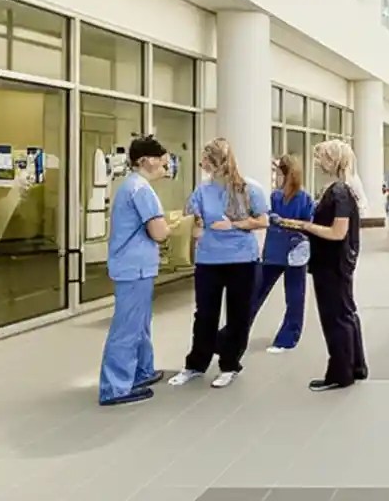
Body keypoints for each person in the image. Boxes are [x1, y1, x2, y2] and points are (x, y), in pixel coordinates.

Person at [169, 138, 270, 389]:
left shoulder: (249, 189)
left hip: (242, 260)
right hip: (209, 260)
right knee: (204, 314)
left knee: (238, 315)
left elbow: (263, 220)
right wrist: (194, 224)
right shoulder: (202, 190)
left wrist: (233, 225)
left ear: (216, 161)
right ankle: (195, 364)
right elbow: (192, 216)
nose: (201, 163)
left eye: (205, 158)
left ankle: (229, 365)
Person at [98, 135, 171, 406]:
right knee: (127, 328)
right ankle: (114, 387)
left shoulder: (131, 186)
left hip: (136, 266)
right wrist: (175, 225)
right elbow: (159, 232)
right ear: (145, 161)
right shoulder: (140, 190)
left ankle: (141, 372)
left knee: (140, 324)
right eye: (160, 159)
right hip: (133, 268)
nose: (164, 163)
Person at [220, 154, 313, 354]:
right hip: (273, 252)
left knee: (295, 297)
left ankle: (288, 338)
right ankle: (232, 334)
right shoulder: (274, 197)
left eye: (278, 173)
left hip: (295, 254)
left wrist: (287, 224)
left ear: (287, 174)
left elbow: (309, 225)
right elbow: (263, 216)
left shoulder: (304, 199)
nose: (275, 177)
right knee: (254, 293)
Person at [298, 140, 368, 391]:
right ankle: (355, 366)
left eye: (320, 158)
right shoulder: (343, 190)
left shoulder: (338, 192)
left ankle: (341, 372)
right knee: (346, 313)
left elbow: (338, 232)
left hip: (332, 263)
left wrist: (306, 226)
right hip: (338, 262)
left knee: (335, 316)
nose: (316, 163)